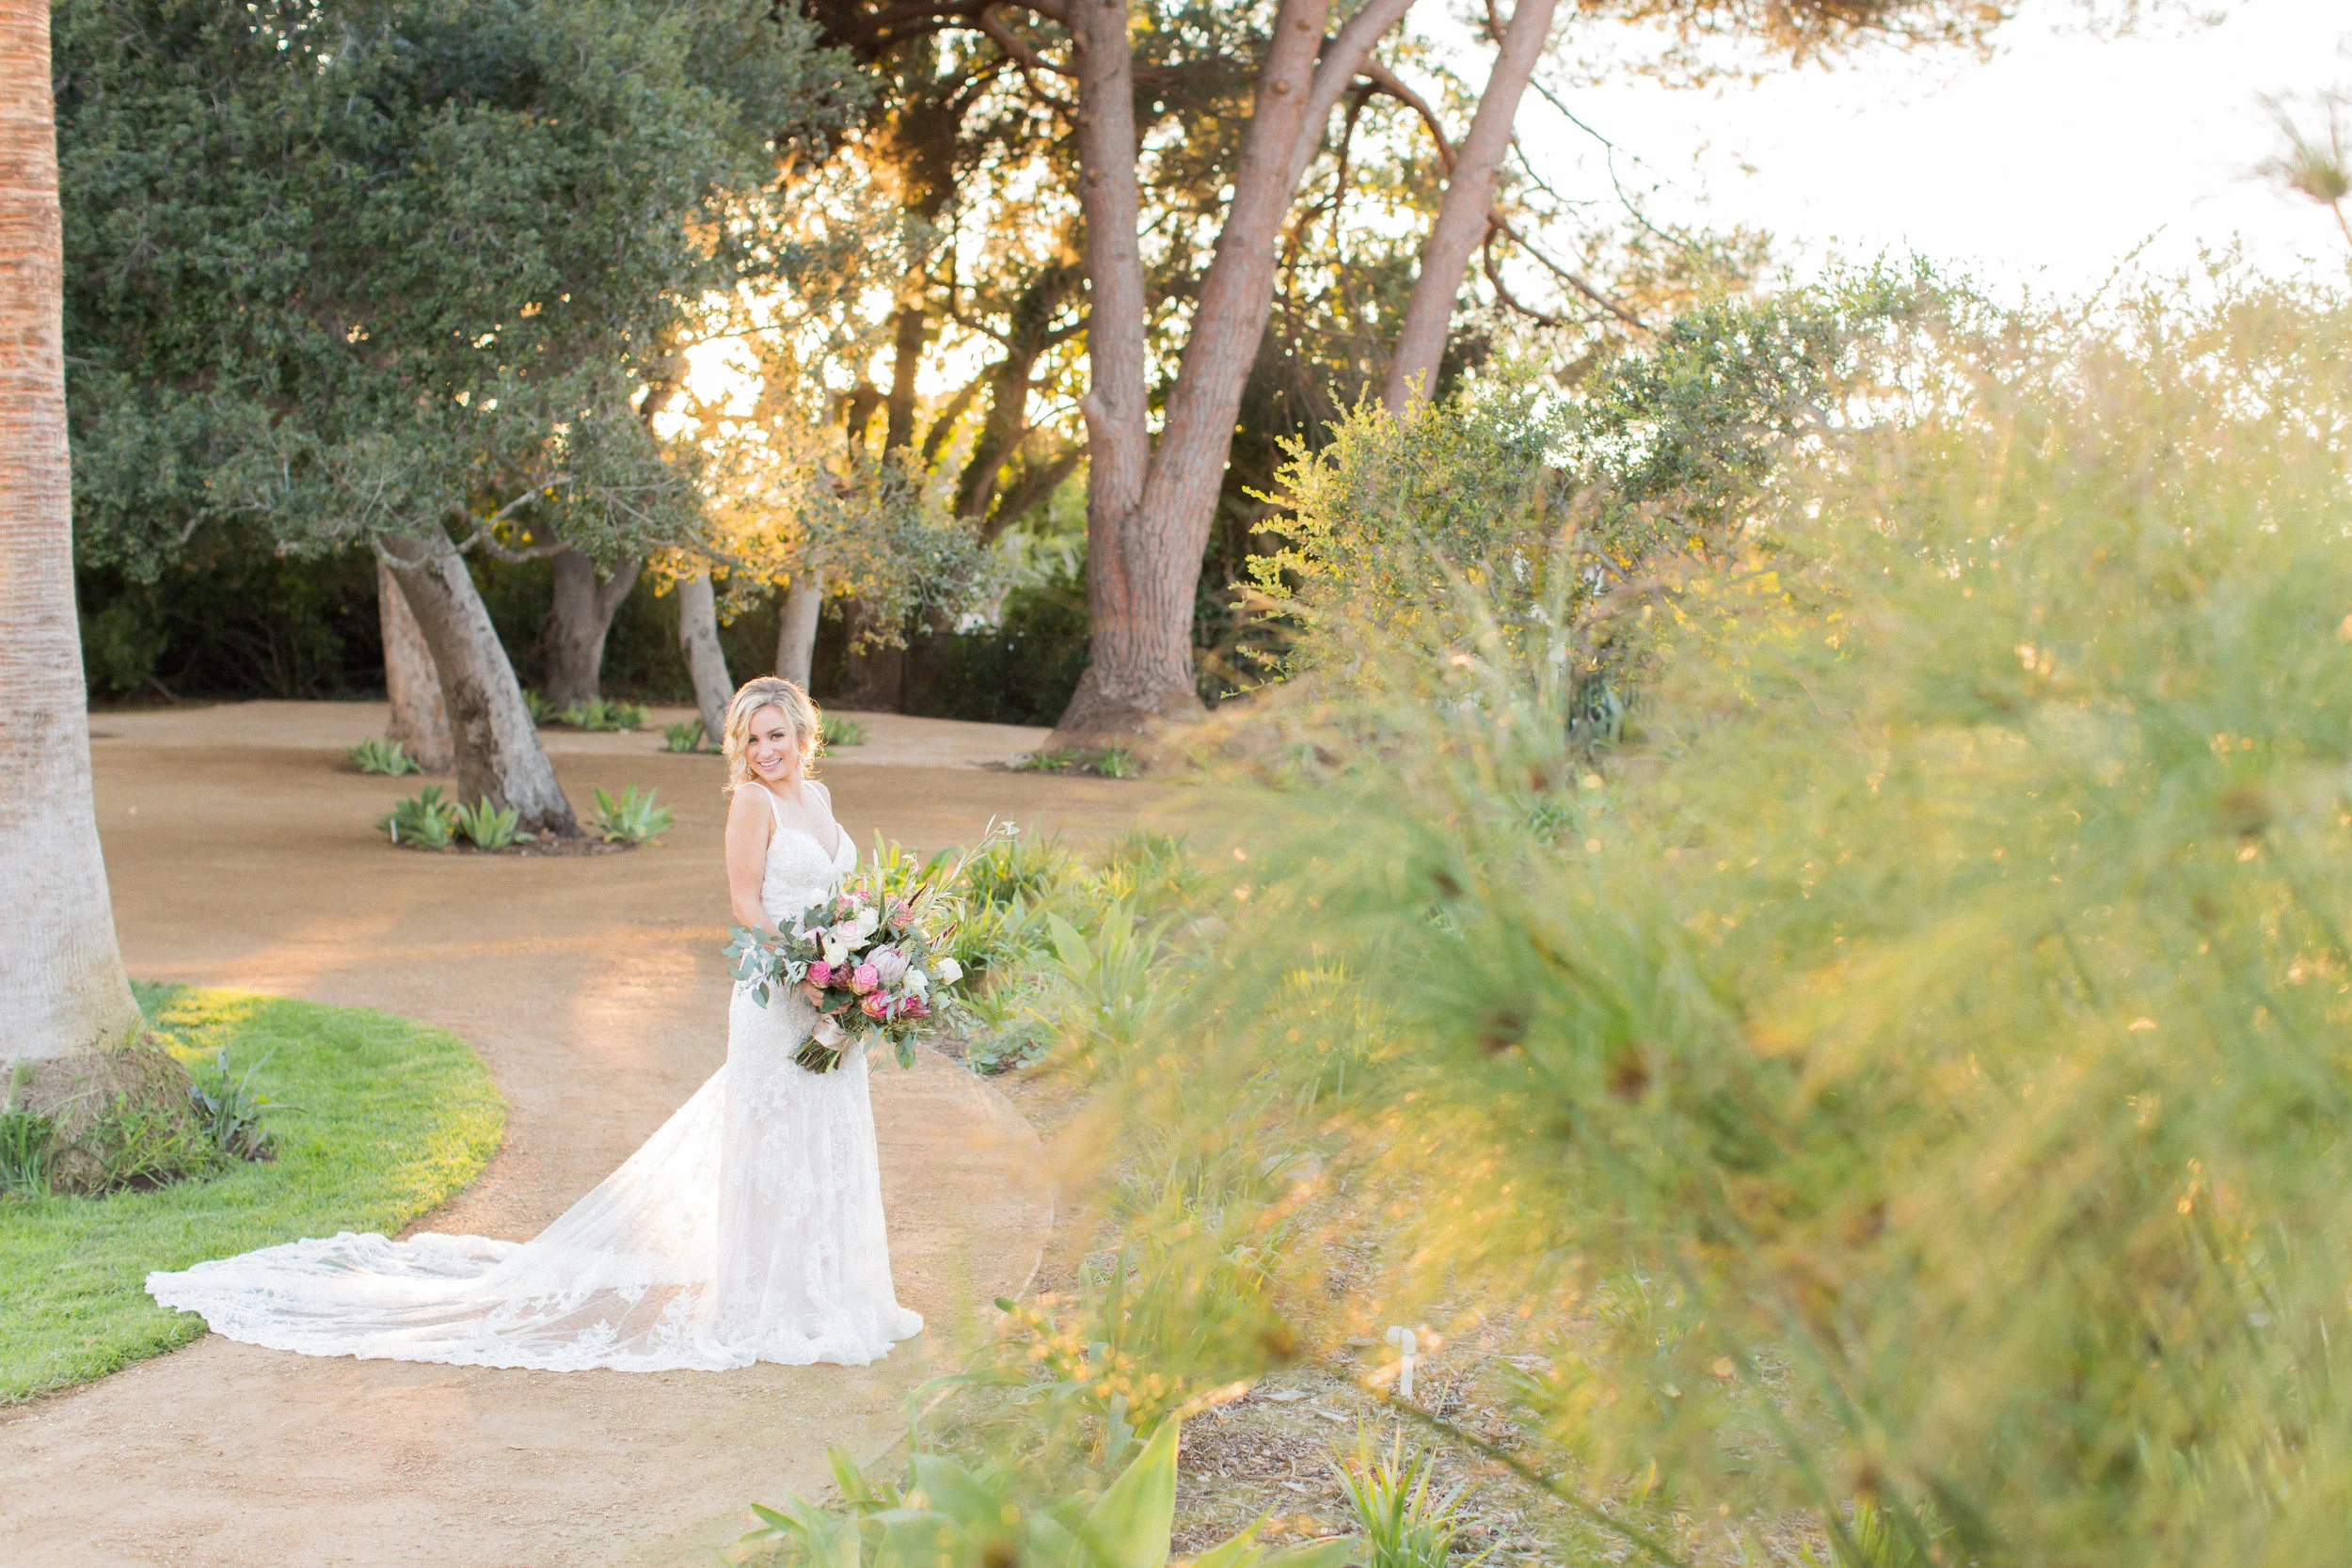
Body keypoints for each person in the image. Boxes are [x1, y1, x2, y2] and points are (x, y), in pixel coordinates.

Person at [146, 677, 923, 1370]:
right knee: (771, 1139)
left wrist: (862, 964)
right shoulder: (751, 803)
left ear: (801, 733)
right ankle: (769, 1303)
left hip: (832, 993)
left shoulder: (816, 801)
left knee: (828, 1132)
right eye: (751, 739)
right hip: (780, 991)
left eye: (776, 735)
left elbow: (839, 896)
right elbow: (746, 904)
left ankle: (831, 1291)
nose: (764, 750)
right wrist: (809, 972)